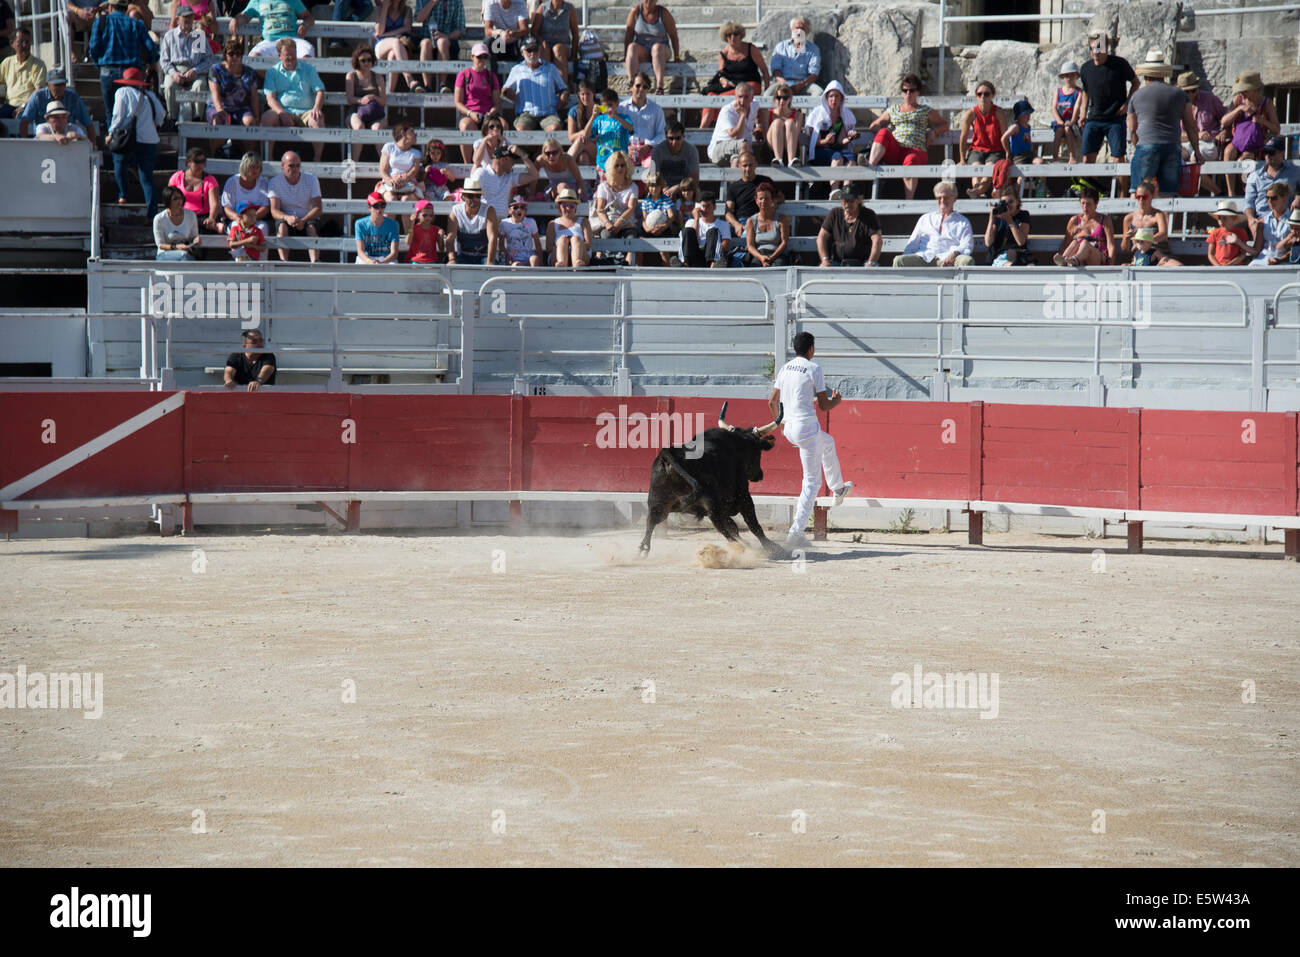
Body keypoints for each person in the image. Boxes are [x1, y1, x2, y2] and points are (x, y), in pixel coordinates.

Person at [768, 331, 852, 553]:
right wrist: (837, 401)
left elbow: (772, 401)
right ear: (811, 348)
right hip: (806, 428)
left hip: (790, 428)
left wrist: (781, 423)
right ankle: (795, 534)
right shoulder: (814, 369)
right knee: (812, 482)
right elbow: (824, 406)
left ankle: (838, 488)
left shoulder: (785, 368)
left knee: (828, 442)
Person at [1126, 50, 1198, 197]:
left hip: (1146, 145)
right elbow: (1191, 126)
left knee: (1139, 193)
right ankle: (1165, 221)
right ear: (1163, 74)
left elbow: (1132, 129)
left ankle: (1139, 220)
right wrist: (1197, 151)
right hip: (1172, 146)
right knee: (1168, 195)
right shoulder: (1180, 95)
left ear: (1146, 74)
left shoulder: (1136, 96)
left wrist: (1137, 147)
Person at [864, 75, 947, 200]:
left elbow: (945, 125)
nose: (908, 94)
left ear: (918, 92)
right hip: (896, 149)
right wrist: (887, 134)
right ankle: (870, 167)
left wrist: (934, 131)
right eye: (905, 90)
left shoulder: (924, 110)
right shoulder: (894, 109)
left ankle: (909, 201)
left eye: (912, 90)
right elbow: (873, 125)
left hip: (915, 149)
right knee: (883, 132)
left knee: (911, 160)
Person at [106, 67, 164, 216]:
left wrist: (111, 132)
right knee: (147, 178)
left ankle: (122, 195)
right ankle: (152, 213)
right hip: (149, 141)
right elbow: (161, 114)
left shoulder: (122, 93)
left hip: (127, 139)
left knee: (120, 164)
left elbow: (118, 116)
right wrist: (155, 126)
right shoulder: (149, 95)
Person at [1077, 31, 1137, 170]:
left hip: (1115, 118)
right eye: (1092, 48)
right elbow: (1085, 92)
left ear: (1107, 48)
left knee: (1118, 158)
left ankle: (1122, 192)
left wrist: (1127, 103)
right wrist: (1082, 114)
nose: (1096, 52)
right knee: (1087, 158)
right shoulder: (1085, 68)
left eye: (1099, 48)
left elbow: (1136, 82)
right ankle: (1089, 191)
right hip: (1094, 117)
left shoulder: (1120, 64)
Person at [89, 2, 156, 122]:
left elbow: (93, 47)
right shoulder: (136, 24)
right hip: (132, 74)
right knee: (133, 113)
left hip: (108, 71)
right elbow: (151, 48)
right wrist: (150, 63)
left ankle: (113, 138)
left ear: (110, 7)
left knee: (112, 113)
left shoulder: (101, 21)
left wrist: (99, 65)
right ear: (127, 8)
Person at [261, 38, 326, 162]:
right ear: (279, 55)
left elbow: (320, 91)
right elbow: (270, 98)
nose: (291, 58)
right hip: (282, 111)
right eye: (287, 55)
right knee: (266, 118)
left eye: (293, 54)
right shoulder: (272, 72)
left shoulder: (309, 69)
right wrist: (282, 113)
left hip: (306, 113)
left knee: (318, 118)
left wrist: (317, 108)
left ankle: (317, 160)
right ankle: (267, 158)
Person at [701, 20, 767, 128]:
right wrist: (723, 81)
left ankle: (706, 128)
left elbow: (764, 70)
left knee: (715, 99)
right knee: (710, 96)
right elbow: (721, 75)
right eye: (728, 35)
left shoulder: (751, 49)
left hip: (750, 85)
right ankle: (702, 129)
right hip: (733, 86)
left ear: (740, 35)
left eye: (735, 34)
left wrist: (767, 89)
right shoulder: (723, 53)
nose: (732, 37)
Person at [1222, 70, 1279, 196]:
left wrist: (1262, 121)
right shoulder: (1237, 101)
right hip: (1238, 141)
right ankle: (1231, 192)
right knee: (1228, 152)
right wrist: (1239, 109)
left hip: (1256, 143)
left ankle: (1247, 191)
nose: (1243, 93)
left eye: (1246, 90)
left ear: (1255, 90)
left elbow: (1276, 129)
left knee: (1244, 159)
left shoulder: (1267, 104)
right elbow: (1224, 121)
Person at [894, 180, 974, 267]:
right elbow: (912, 244)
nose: (942, 201)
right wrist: (907, 256)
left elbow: (967, 245)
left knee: (966, 260)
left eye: (946, 197)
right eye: (939, 198)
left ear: (954, 199)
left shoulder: (962, 221)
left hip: (950, 258)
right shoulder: (925, 218)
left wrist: (954, 254)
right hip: (925, 256)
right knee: (899, 261)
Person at [161, 5, 216, 122]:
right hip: (175, 70)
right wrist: (174, 74)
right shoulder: (170, 36)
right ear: (177, 19)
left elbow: (207, 59)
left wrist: (196, 71)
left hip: (194, 71)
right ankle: (172, 119)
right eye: (185, 17)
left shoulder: (198, 36)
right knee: (170, 85)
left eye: (191, 17)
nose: (188, 20)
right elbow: (164, 60)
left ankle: (198, 118)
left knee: (200, 85)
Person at [267, 149, 323, 262]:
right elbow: (274, 210)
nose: (295, 169)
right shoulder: (275, 182)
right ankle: (284, 262)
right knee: (282, 228)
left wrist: (303, 220)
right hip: (286, 219)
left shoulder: (311, 179)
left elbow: (318, 208)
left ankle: (315, 263)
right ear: (282, 166)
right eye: (291, 165)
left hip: (307, 218)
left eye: (298, 165)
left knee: (311, 228)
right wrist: (287, 218)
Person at [503, 35, 567, 132]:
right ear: (522, 52)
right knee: (521, 130)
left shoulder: (550, 68)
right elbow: (505, 90)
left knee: (555, 128)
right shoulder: (517, 70)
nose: (532, 53)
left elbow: (563, 89)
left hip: (548, 113)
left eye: (535, 50)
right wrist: (511, 95)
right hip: (526, 114)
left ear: (540, 51)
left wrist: (563, 99)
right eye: (529, 50)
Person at [207, 38, 259, 153]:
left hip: (241, 108)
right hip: (220, 106)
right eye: (231, 54)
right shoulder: (215, 70)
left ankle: (250, 157)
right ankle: (213, 155)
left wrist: (257, 117)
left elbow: (254, 97)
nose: (235, 57)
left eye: (238, 54)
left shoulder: (249, 72)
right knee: (219, 121)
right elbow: (215, 94)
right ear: (225, 54)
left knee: (250, 123)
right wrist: (220, 111)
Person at [19, 68, 96, 141]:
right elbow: (25, 122)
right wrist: (24, 147)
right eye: (56, 85)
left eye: (63, 84)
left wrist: (92, 146)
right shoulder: (37, 97)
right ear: (47, 84)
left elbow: (88, 124)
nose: (60, 88)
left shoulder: (73, 99)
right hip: (42, 145)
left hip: (69, 145)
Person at [454, 42, 501, 162]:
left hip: (487, 115)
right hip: (469, 113)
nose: (482, 60)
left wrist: (491, 112)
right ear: (472, 57)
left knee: (502, 125)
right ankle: (467, 164)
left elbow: (497, 103)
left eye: (485, 57)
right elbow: (458, 102)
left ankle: (496, 162)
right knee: (466, 126)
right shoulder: (463, 74)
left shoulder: (491, 76)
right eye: (479, 56)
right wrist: (470, 113)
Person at [959, 80, 1004, 199]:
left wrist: (1008, 154)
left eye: (986, 94)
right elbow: (963, 137)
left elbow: (1005, 135)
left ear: (992, 95)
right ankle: (979, 192)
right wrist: (962, 159)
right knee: (976, 168)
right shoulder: (971, 113)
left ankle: (977, 192)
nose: (983, 97)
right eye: (979, 94)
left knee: (989, 169)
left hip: (995, 150)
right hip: (977, 149)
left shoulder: (998, 112)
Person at [623, 0, 678, 96]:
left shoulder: (663, 13)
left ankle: (660, 87)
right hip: (642, 50)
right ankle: (632, 84)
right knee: (632, 47)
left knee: (656, 48)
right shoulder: (635, 12)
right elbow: (629, 35)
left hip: (661, 49)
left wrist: (676, 56)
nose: (649, 1)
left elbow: (673, 35)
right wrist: (625, 56)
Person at [805, 80, 856, 183]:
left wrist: (849, 138)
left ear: (841, 98)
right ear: (826, 98)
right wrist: (826, 141)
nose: (834, 99)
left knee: (851, 158)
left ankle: (847, 190)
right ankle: (834, 190)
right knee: (838, 157)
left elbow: (840, 141)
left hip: (836, 149)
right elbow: (815, 141)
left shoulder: (843, 115)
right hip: (821, 150)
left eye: (837, 96)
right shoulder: (818, 114)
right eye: (831, 96)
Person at [817, 185, 881, 267]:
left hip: (863, 262)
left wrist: (871, 262)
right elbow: (821, 237)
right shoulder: (834, 213)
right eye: (844, 200)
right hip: (837, 262)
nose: (847, 204)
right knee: (822, 269)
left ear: (858, 200)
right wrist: (825, 259)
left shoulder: (869, 215)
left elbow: (877, 240)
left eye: (851, 201)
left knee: (873, 272)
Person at [1052, 185, 1115, 267]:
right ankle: (1064, 260)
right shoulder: (1074, 220)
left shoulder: (1105, 220)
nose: (1085, 207)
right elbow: (1066, 243)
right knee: (1075, 242)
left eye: (1088, 204)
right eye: (1083, 203)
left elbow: (1111, 244)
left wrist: (1110, 265)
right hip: (1079, 257)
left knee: (1085, 243)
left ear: (1096, 203)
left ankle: (1075, 259)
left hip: (1098, 256)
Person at [1242, 136, 1300, 223]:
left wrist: (1298, 197)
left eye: (1271, 152)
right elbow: (1249, 202)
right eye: (1265, 152)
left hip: (1287, 220)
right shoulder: (1255, 176)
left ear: (1282, 153)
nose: (1267, 156)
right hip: (1262, 219)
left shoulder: (1295, 171)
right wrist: (1251, 220)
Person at [232, 0, 314, 60]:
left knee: (307, 53)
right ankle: (276, 80)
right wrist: (235, 20)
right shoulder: (257, 1)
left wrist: (305, 24)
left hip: (292, 40)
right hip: (270, 41)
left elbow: (309, 17)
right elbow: (244, 16)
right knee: (254, 57)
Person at [346, 45, 387, 162]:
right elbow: (349, 99)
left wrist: (373, 97)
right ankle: (353, 163)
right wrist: (361, 100)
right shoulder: (351, 76)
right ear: (357, 61)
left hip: (376, 113)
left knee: (377, 129)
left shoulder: (378, 77)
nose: (367, 63)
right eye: (363, 60)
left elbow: (384, 101)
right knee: (359, 128)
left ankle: (384, 165)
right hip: (356, 111)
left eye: (369, 60)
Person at [1120, 179, 1176, 263]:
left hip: (1160, 255)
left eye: (1144, 197)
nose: (1141, 200)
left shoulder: (1158, 215)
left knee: (1178, 266)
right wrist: (1126, 239)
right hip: (1140, 257)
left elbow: (1163, 234)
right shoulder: (1129, 218)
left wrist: (1143, 240)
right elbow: (1125, 249)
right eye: (1138, 197)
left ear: (1152, 196)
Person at [168, 146, 223, 233]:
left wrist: (211, 218)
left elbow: (214, 204)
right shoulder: (176, 177)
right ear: (188, 162)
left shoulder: (210, 180)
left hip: (202, 219)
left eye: (202, 162)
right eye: (196, 162)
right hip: (181, 216)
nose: (200, 165)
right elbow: (168, 199)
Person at [723, 149, 775, 240]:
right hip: (741, 222)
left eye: (750, 165)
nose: (748, 169)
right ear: (739, 166)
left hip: (761, 220)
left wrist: (773, 202)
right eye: (745, 165)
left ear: (756, 164)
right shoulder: (733, 187)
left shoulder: (765, 182)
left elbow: (780, 197)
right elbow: (728, 212)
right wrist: (736, 225)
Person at [446, 175, 498, 264]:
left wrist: (490, 262)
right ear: (463, 197)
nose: (475, 199)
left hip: (484, 257)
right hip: (463, 256)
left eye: (478, 196)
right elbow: (450, 238)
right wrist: (452, 259)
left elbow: (492, 238)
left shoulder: (489, 210)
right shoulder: (456, 211)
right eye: (470, 196)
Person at [416, 0, 465, 92]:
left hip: (449, 41)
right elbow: (418, 18)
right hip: (427, 38)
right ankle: (427, 86)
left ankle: (442, 84)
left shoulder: (457, 1)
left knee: (442, 42)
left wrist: (447, 36)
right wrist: (433, 2)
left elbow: (460, 29)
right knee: (426, 43)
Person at [373, 0, 421, 94]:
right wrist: (385, 8)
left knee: (393, 56)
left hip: (399, 46)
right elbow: (379, 31)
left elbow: (407, 28)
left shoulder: (407, 10)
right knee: (395, 42)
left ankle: (389, 93)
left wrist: (387, 34)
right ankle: (409, 79)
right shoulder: (380, 9)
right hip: (382, 44)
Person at [592, 149, 639, 247]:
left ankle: (629, 262)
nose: (620, 168)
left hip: (627, 225)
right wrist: (608, 224)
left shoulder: (633, 186)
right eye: (616, 165)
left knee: (631, 240)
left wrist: (619, 223)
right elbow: (600, 209)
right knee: (606, 237)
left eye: (623, 165)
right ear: (611, 168)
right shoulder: (603, 187)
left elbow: (631, 208)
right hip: (608, 223)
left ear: (627, 167)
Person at [707, 81, 759, 167]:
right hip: (719, 148)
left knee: (736, 159)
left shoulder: (755, 105)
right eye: (740, 97)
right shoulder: (727, 110)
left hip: (739, 150)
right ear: (735, 97)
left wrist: (758, 125)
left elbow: (762, 111)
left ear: (752, 97)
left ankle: (735, 180)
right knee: (744, 145)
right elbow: (735, 136)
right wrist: (742, 115)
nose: (742, 101)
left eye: (746, 97)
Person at [480, 143, 538, 218]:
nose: (513, 164)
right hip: (484, 221)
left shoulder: (510, 177)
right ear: (502, 160)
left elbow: (534, 175)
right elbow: (472, 198)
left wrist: (523, 155)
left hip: (502, 223)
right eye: (512, 160)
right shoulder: (482, 173)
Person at [768, 16, 821, 97]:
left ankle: (810, 110)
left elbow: (814, 73)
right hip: (783, 82)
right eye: (797, 28)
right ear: (792, 29)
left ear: (807, 31)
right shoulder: (781, 46)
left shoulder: (813, 49)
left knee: (819, 93)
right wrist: (784, 83)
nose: (799, 31)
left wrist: (802, 84)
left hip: (804, 83)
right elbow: (776, 69)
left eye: (803, 28)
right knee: (767, 95)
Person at [621, 71, 665, 166]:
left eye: (645, 87)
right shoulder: (621, 108)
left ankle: (651, 181)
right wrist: (626, 147)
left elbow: (661, 134)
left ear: (647, 90)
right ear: (631, 87)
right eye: (638, 86)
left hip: (649, 150)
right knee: (621, 165)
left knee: (652, 165)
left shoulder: (656, 109)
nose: (641, 89)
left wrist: (648, 145)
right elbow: (616, 132)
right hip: (626, 150)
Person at [532, 0, 579, 89]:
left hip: (564, 46)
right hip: (546, 46)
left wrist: (574, 55)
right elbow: (534, 31)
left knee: (558, 49)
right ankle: (545, 88)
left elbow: (575, 33)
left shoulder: (570, 9)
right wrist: (542, 41)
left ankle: (563, 90)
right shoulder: (543, 8)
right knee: (545, 50)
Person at [743, 182, 790, 267]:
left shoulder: (781, 219)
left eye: (767, 198)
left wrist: (771, 258)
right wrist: (761, 258)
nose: (763, 201)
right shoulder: (751, 221)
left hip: (776, 254)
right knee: (754, 266)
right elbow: (750, 246)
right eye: (760, 199)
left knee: (778, 267)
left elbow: (784, 242)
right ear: (756, 200)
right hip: (759, 255)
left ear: (772, 200)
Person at [679, 190, 731, 267]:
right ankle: (685, 264)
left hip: (711, 256)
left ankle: (713, 265)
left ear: (714, 207)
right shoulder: (691, 222)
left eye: (708, 206)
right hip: (694, 256)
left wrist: (708, 249)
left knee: (713, 231)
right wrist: (696, 219)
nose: (705, 210)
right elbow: (690, 240)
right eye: (703, 206)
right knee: (687, 231)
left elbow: (725, 245)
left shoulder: (723, 224)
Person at [586, 86, 633, 171]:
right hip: (602, 163)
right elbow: (586, 135)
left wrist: (615, 116)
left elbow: (630, 128)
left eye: (610, 105)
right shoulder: (599, 119)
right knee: (603, 185)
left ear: (617, 103)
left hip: (620, 163)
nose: (608, 108)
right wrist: (593, 116)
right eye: (605, 106)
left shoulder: (624, 118)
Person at [983, 184, 1031, 266]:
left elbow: (1020, 242)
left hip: (1019, 255)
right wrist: (991, 218)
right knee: (1010, 265)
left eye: (1011, 202)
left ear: (1017, 201)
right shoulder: (998, 217)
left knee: (1031, 268)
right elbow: (988, 242)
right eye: (1005, 203)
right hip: (1000, 255)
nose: (1008, 205)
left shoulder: (1023, 215)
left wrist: (1010, 221)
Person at [221, 151, 271, 229]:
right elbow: (227, 207)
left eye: (258, 167)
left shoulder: (264, 182)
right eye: (252, 167)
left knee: (262, 228)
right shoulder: (232, 182)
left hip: (257, 219)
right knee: (236, 228)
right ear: (245, 166)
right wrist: (238, 218)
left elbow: (265, 207)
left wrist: (252, 218)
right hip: (237, 219)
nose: (256, 170)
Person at [377, 121, 425, 203]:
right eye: (412, 131)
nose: (415, 134)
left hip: (409, 184)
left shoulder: (416, 153)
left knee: (406, 200)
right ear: (403, 133)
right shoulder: (389, 147)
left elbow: (414, 171)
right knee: (391, 199)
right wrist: (390, 181)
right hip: (390, 183)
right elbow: (383, 170)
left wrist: (404, 180)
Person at [638, 170, 678, 265]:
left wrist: (664, 226)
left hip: (663, 229)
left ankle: (667, 272)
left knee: (663, 251)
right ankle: (637, 271)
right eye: (651, 186)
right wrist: (647, 229)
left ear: (661, 186)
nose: (654, 188)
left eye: (656, 185)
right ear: (648, 187)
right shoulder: (646, 202)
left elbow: (671, 216)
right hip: (649, 229)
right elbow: (644, 219)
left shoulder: (665, 200)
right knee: (638, 245)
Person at [546, 185, 591, 267]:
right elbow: (549, 248)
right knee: (562, 239)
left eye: (572, 206)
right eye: (564, 205)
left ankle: (577, 263)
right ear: (559, 206)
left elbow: (588, 244)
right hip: (557, 257)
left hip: (581, 256)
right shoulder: (552, 223)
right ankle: (562, 263)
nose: (568, 208)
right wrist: (563, 246)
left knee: (576, 238)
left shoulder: (584, 221)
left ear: (576, 207)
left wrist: (573, 244)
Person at [1250, 182, 1292, 265]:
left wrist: (1280, 260)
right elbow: (1256, 250)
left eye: (1273, 198)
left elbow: (1295, 249)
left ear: (1284, 198)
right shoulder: (1262, 222)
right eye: (1267, 198)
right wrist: (1239, 242)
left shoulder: (1294, 220)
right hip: (1264, 258)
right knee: (1253, 266)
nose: (1269, 201)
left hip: (1285, 260)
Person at [154, 185, 200, 260]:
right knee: (184, 255)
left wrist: (196, 241)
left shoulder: (191, 215)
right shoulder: (159, 219)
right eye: (175, 199)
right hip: (165, 253)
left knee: (185, 256)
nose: (179, 201)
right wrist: (176, 247)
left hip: (186, 251)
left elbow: (194, 236)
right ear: (167, 200)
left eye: (180, 198)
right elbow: (160, 245)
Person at [650, 119, 699, 188]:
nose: (674, 142)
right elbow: (652, 177)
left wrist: (677, 188)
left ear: (683, 137)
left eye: (678, 138)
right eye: (671, 138)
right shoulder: (657, 151)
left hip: (684, 190)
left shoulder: (692, 150)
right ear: (666, 138)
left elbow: (694, 180)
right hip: (662, 190)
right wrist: (662, 189)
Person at [354, 191, 401, 263]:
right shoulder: (360, 224)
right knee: (360, 261)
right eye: (376, 206)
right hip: (367, 258)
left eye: (382, 205)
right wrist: (369, 261)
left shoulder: (393, 224)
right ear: (369, 207)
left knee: (393, 264)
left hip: (386, 258)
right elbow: (360, 252)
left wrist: (382, 263)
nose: (380, 209)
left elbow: (394, 253)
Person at [498, 194, 542, 266]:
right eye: (515, 207)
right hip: (513, 258)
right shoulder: (504, 223)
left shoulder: (531, 222)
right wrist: (506, 258)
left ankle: (533, 276)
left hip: (529, 256)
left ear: (525, 210)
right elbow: (501, 244)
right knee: (516, 265)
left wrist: (541, 260)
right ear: (509, 210)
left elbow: (537, 243)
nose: (519, 210)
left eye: (522, 207)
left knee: (534, 260)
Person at [764, 83, 802, 168]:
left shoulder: (798, 115)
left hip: (791, 148)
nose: (781, 101)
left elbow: (796, 136)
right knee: (777, 122)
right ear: (774, 99)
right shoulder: (768, 113)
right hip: (771, 150)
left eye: (785, 98)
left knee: (789, 123)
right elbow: (766, 137)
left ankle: (791, 160)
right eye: (778, 98)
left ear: (790, 99)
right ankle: (778, 159)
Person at [535, 136, 585, 201]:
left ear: (560, 152)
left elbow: (579, 180)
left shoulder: (568, 159)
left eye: (554, 152)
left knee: (563, 186)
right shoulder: (540, 160)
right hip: (554, 189)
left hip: (573, 188)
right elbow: (533, 178)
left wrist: (580, 194)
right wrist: (531, 195)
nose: (551, 156)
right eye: (548, 153)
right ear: (544, 154)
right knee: (559, 188)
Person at [1051, 61, 1081, 163]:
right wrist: (1059, 120)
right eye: (1066, 75)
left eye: (1072, 75)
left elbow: (1076, 108)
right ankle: (1055, 157)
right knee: (1059, 131)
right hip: (1060, 120)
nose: (1069, 78)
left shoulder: (1078, 92)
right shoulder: (1058, 91)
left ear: (1076, 76)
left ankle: (1072, 156)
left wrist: (1072, 121)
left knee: (1068, 129)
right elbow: (1054, 108)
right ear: (1063, 77)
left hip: (1072, 120)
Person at [1207, 199, 1251, 266]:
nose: (1221, 221)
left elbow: (1242, 254)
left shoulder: (1241, 232)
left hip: (1235, 267)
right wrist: (1218, 266)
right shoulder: (1215, 233)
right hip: (1218, 267)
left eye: (1224, 218)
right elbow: (1210, 254)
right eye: (1219, 218)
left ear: (1233, 218)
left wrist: (1229, 264)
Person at [566, 79, 598, 166]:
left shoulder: (601, 110)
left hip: (598, 149)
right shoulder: (574, 111)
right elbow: (571, 137)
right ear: (579, 95)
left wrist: (588, 137)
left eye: (588, 94)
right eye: (582, 94)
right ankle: (584, 180)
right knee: (583, 158)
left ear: (593, 94)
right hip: (581, 151)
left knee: (581, 140)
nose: (585, 97)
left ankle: (565, 164)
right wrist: (582, 133)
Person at [406, 198, 443, 263]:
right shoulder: (414, 228)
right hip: (415, 259)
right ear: (417, 215)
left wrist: (440, 237)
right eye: (425, 215)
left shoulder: (436, 229)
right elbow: (408, 242)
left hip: (431, 260)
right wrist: (412, 223)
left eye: (431, 215)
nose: (428, 217)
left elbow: (441, 249)